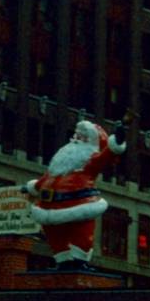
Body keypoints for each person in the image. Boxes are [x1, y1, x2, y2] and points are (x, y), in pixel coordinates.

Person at [24, 115, 130, 269]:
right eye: (76, 136)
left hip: (78, 204)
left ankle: (79, 261)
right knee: (55, 236)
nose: (75, 139)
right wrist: (31, 187)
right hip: (48, 206)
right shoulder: (58, 165)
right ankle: (63, 261)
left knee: (82, 233)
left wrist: (117, 141)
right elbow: (44, 180)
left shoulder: (90, 161)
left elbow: (107, 155)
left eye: (82, 137)